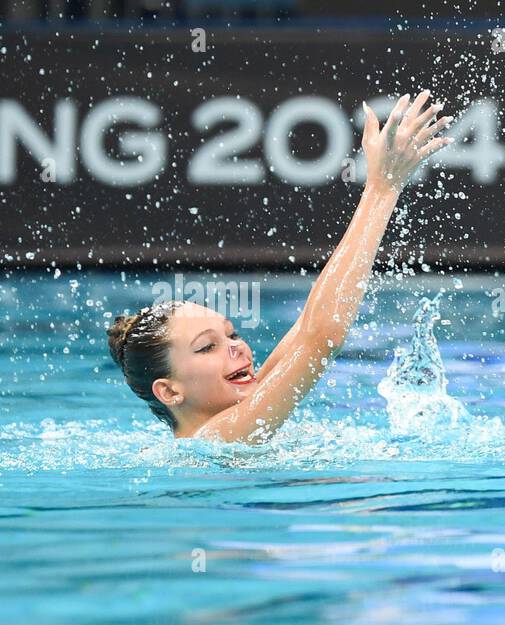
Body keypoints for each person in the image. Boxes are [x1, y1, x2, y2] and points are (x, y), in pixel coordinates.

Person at [106, 91, 452, 443]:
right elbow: (323, 338)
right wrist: (382, 188)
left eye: (232, 334)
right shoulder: (217, 438)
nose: (237, 348)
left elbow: (308, 330)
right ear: (169, 392)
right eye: (206, 347)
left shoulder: (238, 421)